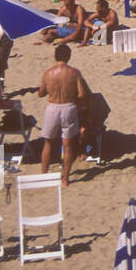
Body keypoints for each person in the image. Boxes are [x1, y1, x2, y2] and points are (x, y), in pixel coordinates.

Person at [37, 43, 91, 186]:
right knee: (67, 145)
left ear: (55, 56)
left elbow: (40, 93)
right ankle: (65, 179)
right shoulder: (74, 73)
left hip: (53, 107)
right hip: (68, 107)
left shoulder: (48, 73)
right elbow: (82, 93)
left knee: (48, 142)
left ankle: (44, 175)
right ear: (68, 56)